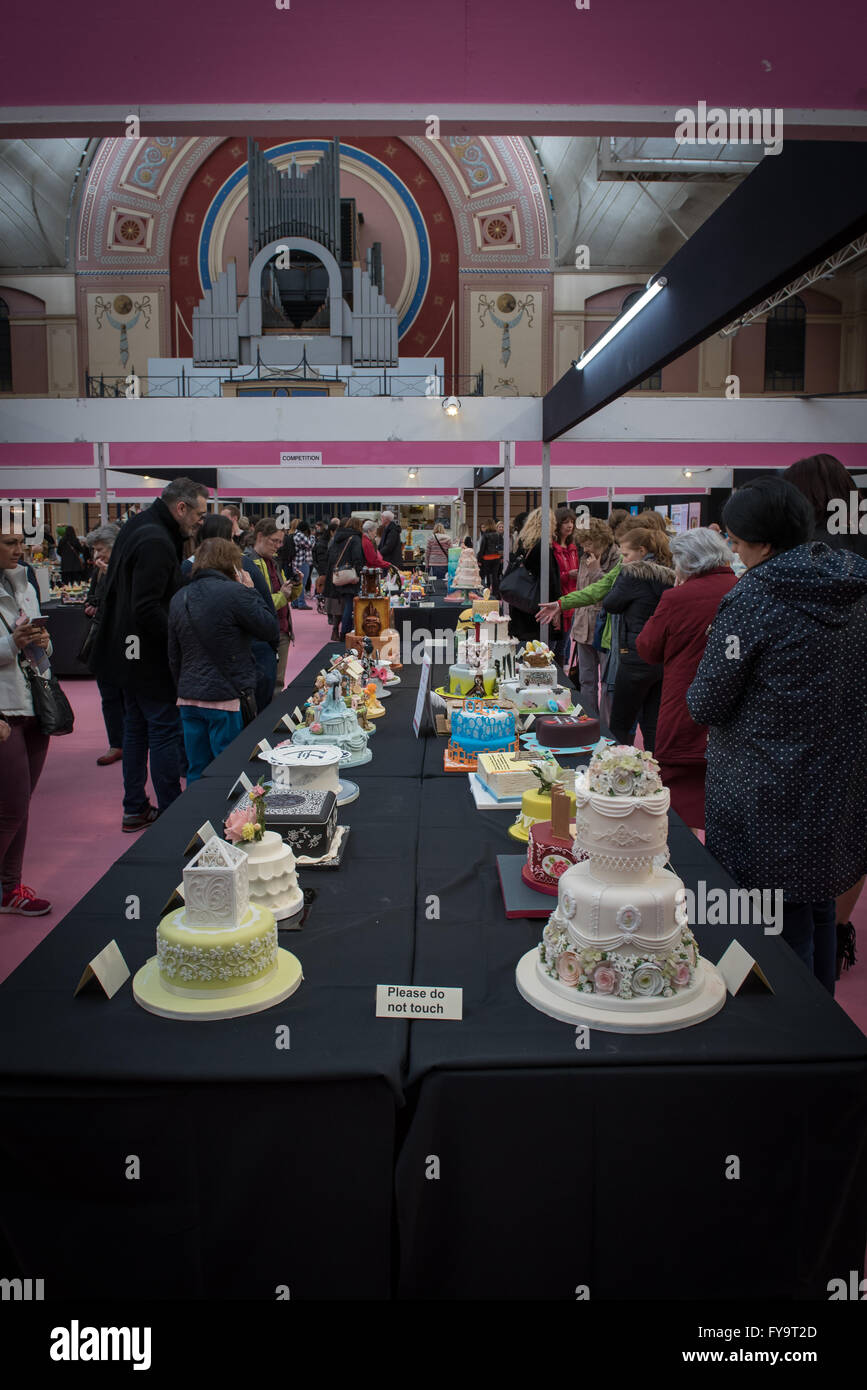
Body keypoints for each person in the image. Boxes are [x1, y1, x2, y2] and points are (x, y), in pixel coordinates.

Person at [686, 475, 867, 995]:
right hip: (836, 783)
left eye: (738, 544)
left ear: (760, 543)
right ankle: (825, 1035)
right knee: (818, 907)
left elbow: (706, 702)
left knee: (774, 930)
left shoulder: (755, 598)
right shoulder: (851, 587)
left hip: (766, 790)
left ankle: (793, 1041)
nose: (735, 555)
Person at [783, 452, 867, 974]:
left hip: (812, 723)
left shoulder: (800, 564)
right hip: (856, 717)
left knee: (810, 836)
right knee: (853, 832)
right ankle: (836, 933)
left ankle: (817, 940)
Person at [90, 477, 209, 831]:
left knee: (136, 729)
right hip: (147, 654)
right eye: (198, 515)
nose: (199, 523)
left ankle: (135, 807)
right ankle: (172, 813)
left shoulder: (139, 526)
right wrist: (178, 640)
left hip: (126, 649)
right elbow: (146, 607)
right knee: (161, 731)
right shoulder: (157, 540)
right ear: (181, 507)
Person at [635, 528, 736, 831]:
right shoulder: (743, 589)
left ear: (687, 563)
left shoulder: (677, 598)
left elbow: (647, 648)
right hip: (732, 713)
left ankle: (687, 873)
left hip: (685, 706)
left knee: (679, 806)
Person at [168, 538, 279, 781]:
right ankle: (227, 818)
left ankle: (196, 816)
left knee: (196, 769)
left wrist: (183, 685)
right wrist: (252, 592)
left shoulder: (180, 597)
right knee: (229, 770)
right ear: (232, 563)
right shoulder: (236, 593)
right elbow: (270, 628)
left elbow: (174, 654)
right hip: (226, 695)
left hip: (189, 695)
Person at [0, 527, 53, 915]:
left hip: (34, 701)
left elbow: (36, 646)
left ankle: (9, 889)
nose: (20, 549)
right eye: (9, 543)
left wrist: (42, 642)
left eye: (20, 542)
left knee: (21, 806)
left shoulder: (25, 583)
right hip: (4, 710)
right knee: (12, 807)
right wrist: (11, 643)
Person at [185, 515, 278, 713]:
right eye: (231, 537)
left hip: (201, 671)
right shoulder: (243, 568)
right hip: (242, 662)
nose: (234, 543)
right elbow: (268, 617)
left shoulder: (188, 572)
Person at [601, 526, 675, 752]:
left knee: (621, 721)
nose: (623, 561)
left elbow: (610, 603)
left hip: (634, 654)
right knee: (652, 721)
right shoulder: (669, 574)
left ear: (642, 551)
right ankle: (654, 767)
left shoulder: (632, 574)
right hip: (661, 656)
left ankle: (618, 769)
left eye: (625, 555)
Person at [565, 518, 619, 722]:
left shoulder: (617, 557)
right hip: (582, 625)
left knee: (606, 682)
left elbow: (612, 591)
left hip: (604, 626)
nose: (586, 547)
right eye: (583, 543)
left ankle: (606, 726)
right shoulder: (585, 556)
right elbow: (582, 591)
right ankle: (588, 720)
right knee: (586, 679)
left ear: (601, 539)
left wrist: (597, 570)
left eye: (589, 542)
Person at [84, 523, 124, 765]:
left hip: (128, 641)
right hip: (102, 640)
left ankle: (130, 740)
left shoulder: (125, 569)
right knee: (109, 696)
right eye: (95, 550)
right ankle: (116, 743)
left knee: (129, 695)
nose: (97, 555)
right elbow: (92, 600)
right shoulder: (98, 572)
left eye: (101, 549)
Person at [246, 519, 296, 694]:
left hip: (281, 629)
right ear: (260, 536)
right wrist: (282, 596)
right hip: (264, 634)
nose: (278, 546)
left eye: (280, 541)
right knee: (265, 686)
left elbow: (283, 597)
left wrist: (294, 588)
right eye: (275, 540)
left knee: (277, 683)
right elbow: (258, 604)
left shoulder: (273, 562)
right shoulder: (249, 564)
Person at [506, 508, 560, 644]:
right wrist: (557, 608)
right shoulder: (543, 548)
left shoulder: (523, 544)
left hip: (521, 604)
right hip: (538, 609)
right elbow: (551, 581)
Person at [324, 516, 366, 640]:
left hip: (339, 574)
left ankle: (341, 631)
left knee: (345, 603)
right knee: (349, 604)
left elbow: (330, 555)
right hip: (350, 575)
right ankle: (345, 632)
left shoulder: (339, 537)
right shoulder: (355, 539)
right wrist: (358, 573)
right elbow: (357, 557)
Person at [550, 508, 580, 667]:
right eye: (566, 522)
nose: (570, 525)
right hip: (557, 599)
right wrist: (568, 575)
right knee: (554, 646)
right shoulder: (552, 548)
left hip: (572, 600)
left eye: (572, 522)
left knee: (564, 644)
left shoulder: (573, 548)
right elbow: (552, 576)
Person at [476, 522, 503, 593]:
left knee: (487, 575)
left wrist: (479, 559)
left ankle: (487, 590)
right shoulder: (498, 535)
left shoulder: (485, 535)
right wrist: (501, 557)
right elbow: (501, 547)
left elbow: (482, 548)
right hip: (496, 557)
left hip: (487, 558)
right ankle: (495, 592)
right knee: (495, 576)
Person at [291, 522, 314, 609]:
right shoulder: (300, 535)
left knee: (296, 582)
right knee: (302, 583)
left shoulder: (295, 534)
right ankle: (301, 603)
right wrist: (312, 537)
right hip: (302, 562)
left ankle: (295, 602)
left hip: (296, 562)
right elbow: (310, 544)